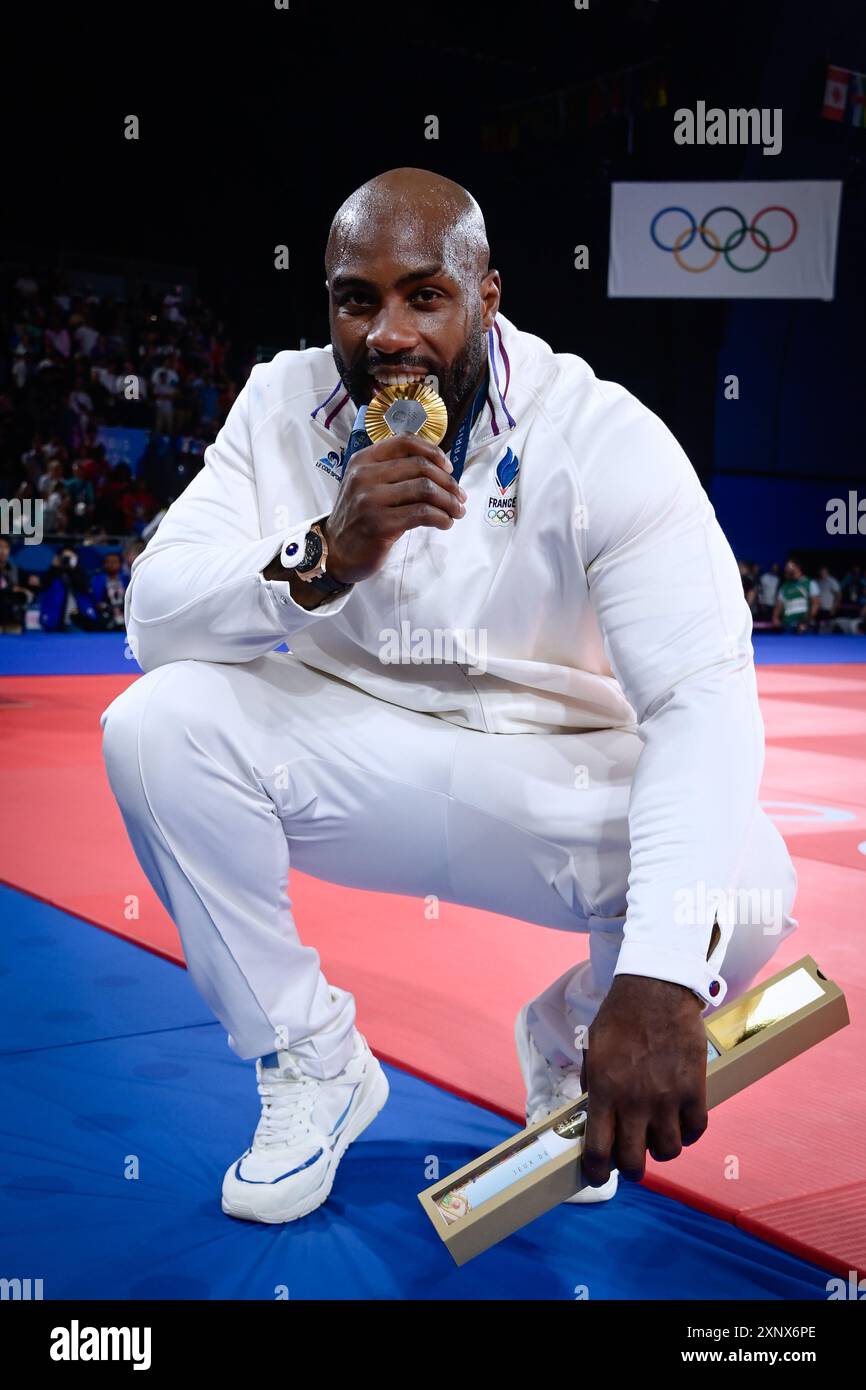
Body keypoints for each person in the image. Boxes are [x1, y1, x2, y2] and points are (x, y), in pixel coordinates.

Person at [100, 168, 797, 1227]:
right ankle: (313, 1058)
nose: (387, 333)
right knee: (151, 727)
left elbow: (700, 698)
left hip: (543, 772)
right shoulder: (279, 403)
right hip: (343, 752)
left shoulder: (602, 435)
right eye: (354, 298)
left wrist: (656, 976)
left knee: (746, 877)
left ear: (487, 296)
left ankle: (569, 1043)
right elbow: (153, 616)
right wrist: (324, 556)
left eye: (424, 295)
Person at [773, 558, 820, 633]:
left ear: (797, 567)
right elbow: (779, 604)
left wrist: (805, 622)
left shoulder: (809, 583)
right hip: (788, 625)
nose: (786, 569)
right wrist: (775, 617)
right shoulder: (784, 587)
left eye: (789, 566)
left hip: (805, 626)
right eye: (786, 567)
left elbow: (816, 604)